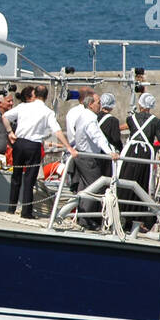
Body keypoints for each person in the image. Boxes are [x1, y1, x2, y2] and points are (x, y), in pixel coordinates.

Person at [2, 84, 77, 219]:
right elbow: (57, 131)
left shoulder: (23, 106)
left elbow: (5, 117)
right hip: (34, 145)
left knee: (16, 176)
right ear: (46, 97)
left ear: (34, 95)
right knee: (29, 180)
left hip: (19, 143)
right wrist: (68, 147)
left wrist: (10, 133)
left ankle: (11, 208)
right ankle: (26, 212)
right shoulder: (47, 112)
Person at [120, 92, 160, 232]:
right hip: (145, 155)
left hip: (130, 151)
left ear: (140, 104)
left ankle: (121, 212)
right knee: (142, 183)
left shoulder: (130, 119)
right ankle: (138, 218)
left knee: (125, 181)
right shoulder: (156, 121)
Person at [67, 93, 119, 226]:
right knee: (95, 187)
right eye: (98, 103)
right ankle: (85, 219)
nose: (100, 105)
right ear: (90, 104)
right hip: (88, 158)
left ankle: (81, 217)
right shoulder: (90, 118)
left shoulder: (82, 115)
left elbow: (75, 130)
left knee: (84, 187)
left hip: (81, 154)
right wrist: (110, 152)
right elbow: (97, 136)